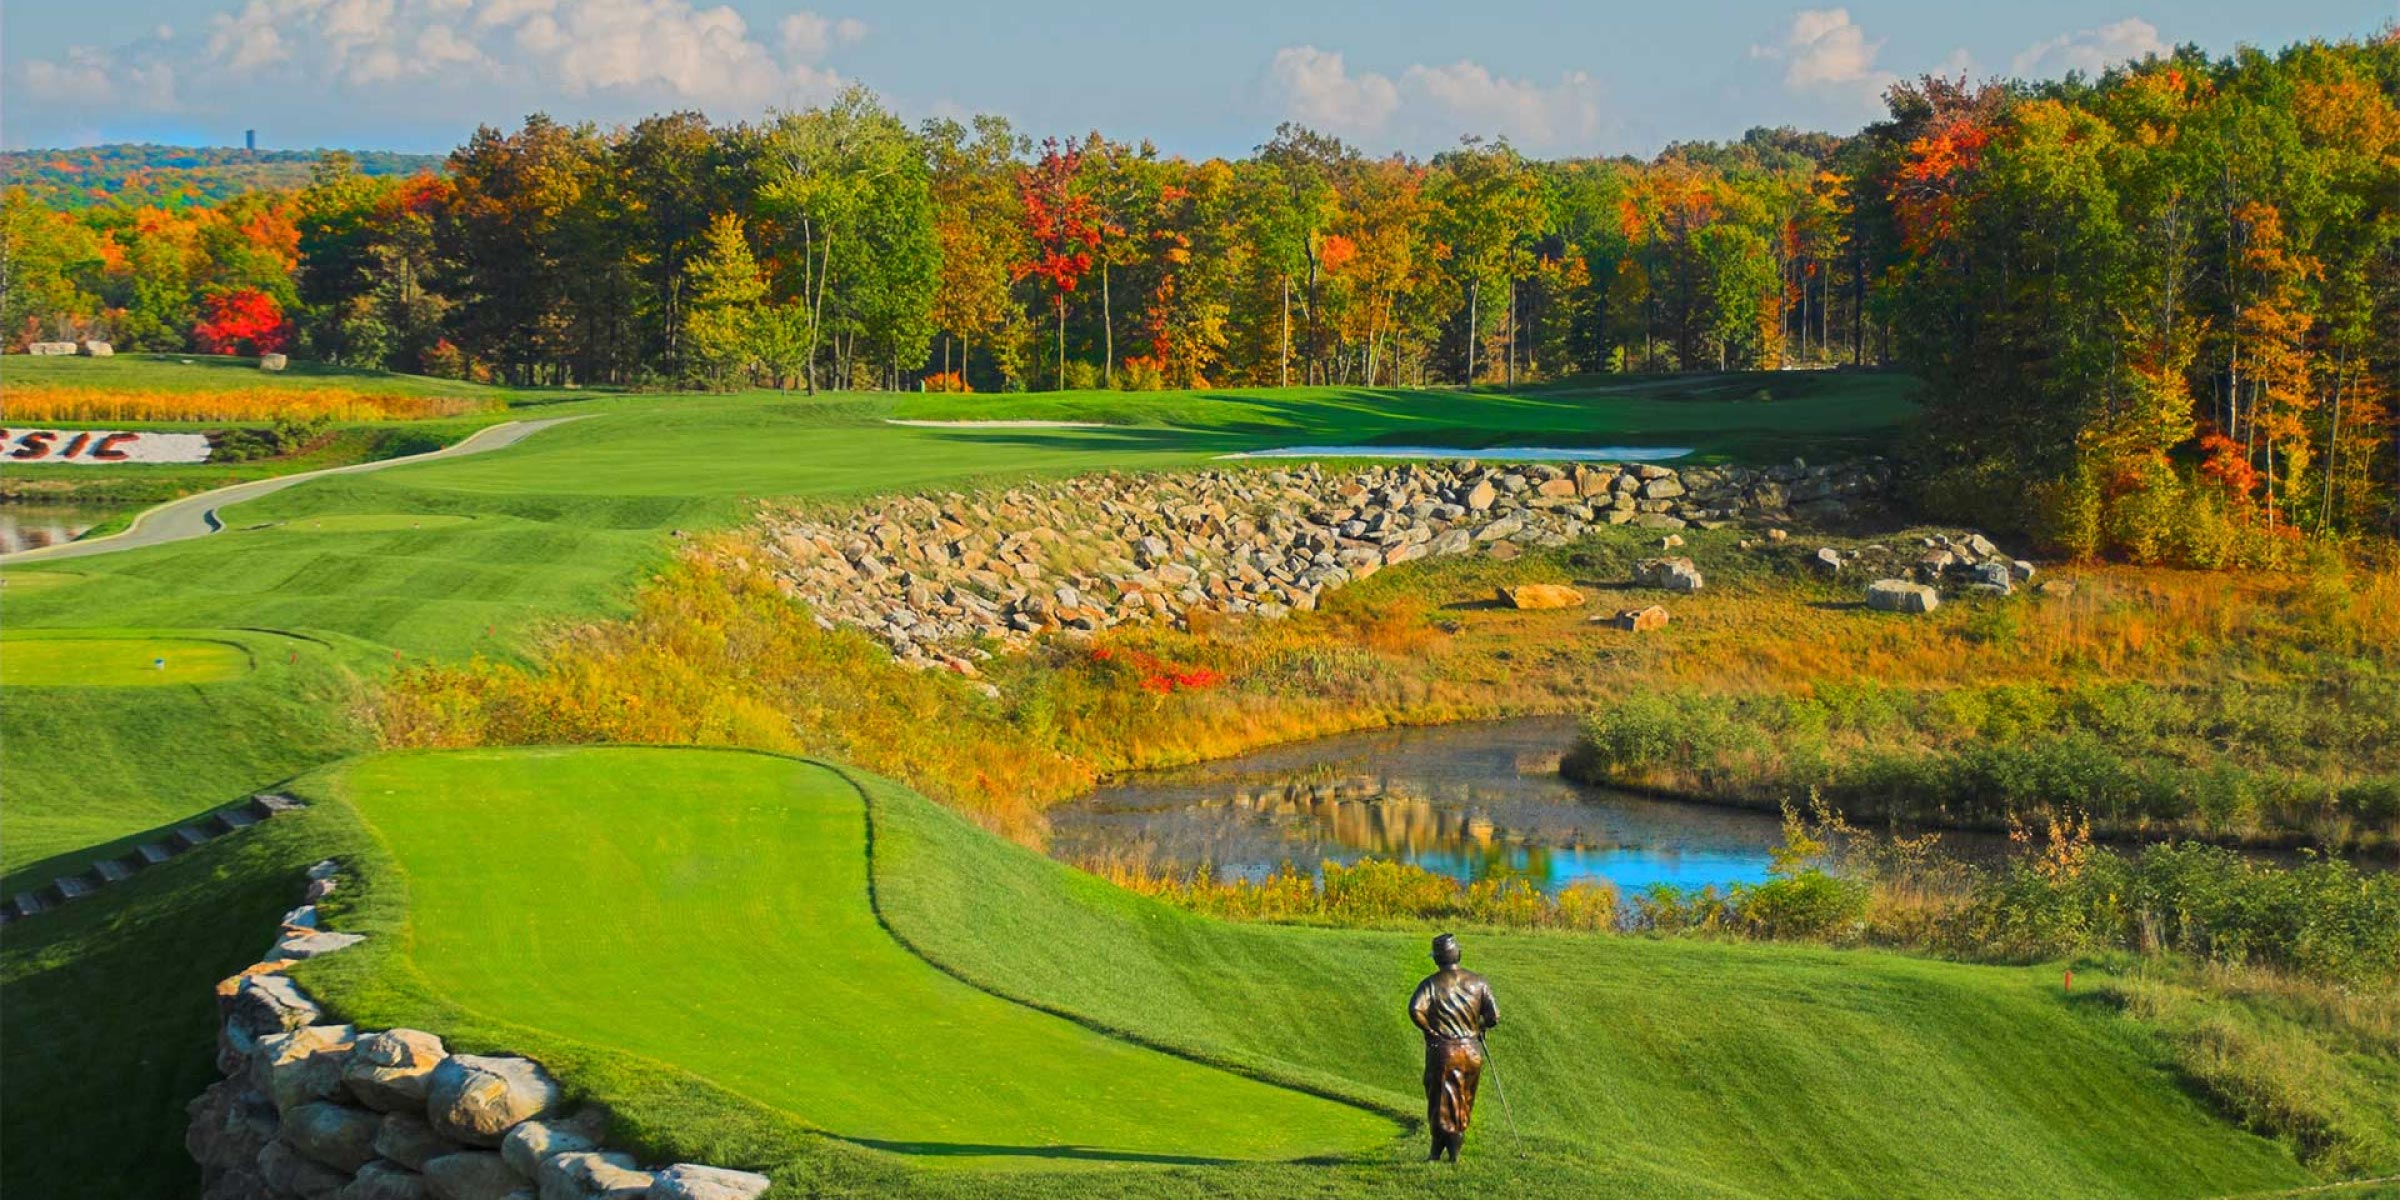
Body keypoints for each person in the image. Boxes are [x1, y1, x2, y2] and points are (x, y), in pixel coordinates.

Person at [1407, 932, 1499, 1162]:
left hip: (1444, 1051)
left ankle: (1449, 1154)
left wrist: (1430, 1030)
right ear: (1458, 954)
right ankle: (1439, 1153)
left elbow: (1415, 1009)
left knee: (1442, 1102)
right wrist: (1478, 1027)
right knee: (1461, 1101)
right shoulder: (1479, 982)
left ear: (1437, 959)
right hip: (1471, 1051)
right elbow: (1493, 1016)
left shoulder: (1431, 984)